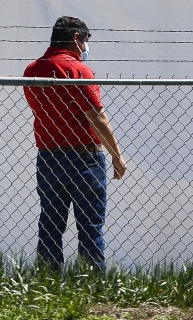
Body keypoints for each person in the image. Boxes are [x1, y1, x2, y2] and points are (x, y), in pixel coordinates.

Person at [23, 15, 128, 269]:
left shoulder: (32, 70)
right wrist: (116, 155)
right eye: (85, 41)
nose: (85, 48)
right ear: (77, 38)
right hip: (84, 158)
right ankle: (91, 280)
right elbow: (97, 117)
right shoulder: (78, 70)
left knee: (50, 223)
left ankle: (48, 279)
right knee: (90, 225)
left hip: (48, 156)